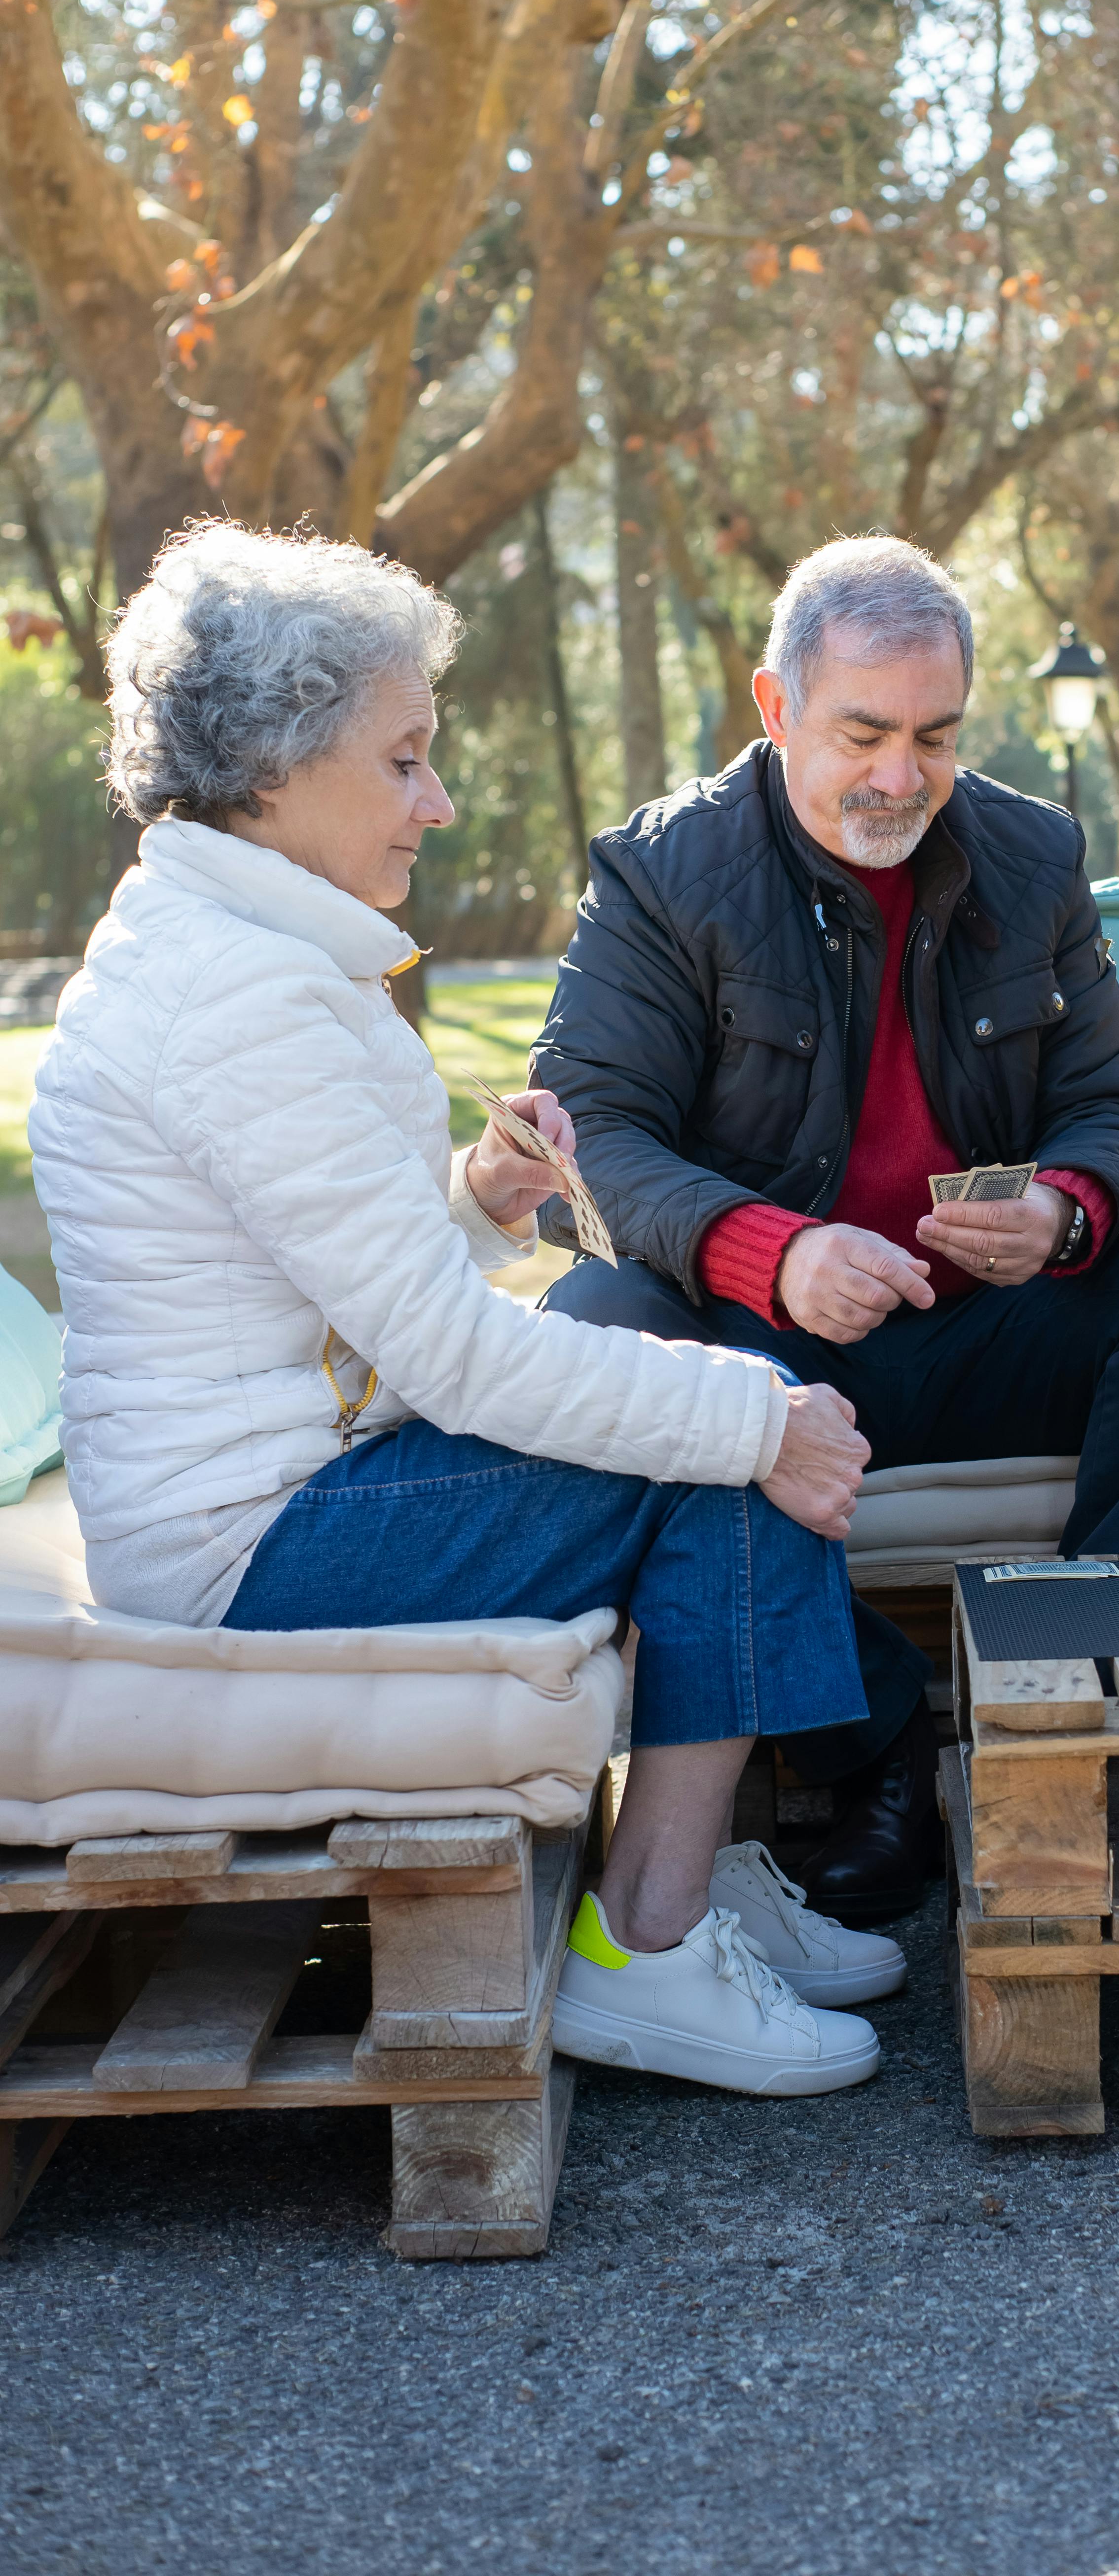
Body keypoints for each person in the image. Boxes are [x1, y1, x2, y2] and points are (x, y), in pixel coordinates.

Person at [28, 520, 904, 2101]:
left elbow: (284, 1273)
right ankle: (649, 1939)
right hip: (255, 1541)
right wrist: (756, 1417)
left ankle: (686, 1893)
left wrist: (466, 1203)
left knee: (723, 1406)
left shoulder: (224, 947)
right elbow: (440, 1354)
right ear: (281, 769)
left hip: (280, 1485)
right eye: (407, 760)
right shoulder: (239, 995)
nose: (437, 801)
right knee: (736, 1442)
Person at [536, 535, 1119, 1917]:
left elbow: (1118, 1114)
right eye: (865, 734)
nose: (902, 779)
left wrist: (1064, 1213)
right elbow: (587, 1153)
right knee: (596, 1324)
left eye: (936, 738)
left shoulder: (1032, 850)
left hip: (983, 1328)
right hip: (768, 1352)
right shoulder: (661, 874)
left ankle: (1087, 1696)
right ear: (775, 710)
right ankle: (885, 1742)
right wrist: (768, 1250)